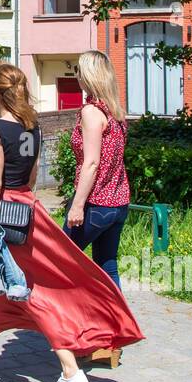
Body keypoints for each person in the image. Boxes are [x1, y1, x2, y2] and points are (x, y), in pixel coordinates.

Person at [0, 61, 143, 382]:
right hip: (29, 212)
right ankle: (60, 368)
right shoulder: (32, 129)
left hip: (3, 215)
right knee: (28, 291)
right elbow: (32, 178)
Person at [65, 50, 131, 289]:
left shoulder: (92, 112)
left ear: (89, 76)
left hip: (96, 204)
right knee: (107, 264)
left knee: (60, 259)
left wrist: (77, 205)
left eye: (79, 71)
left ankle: (66, 320)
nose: (77, 77)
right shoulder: (116, 113)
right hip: (118, 203)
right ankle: (120, 324)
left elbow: (91, 163)